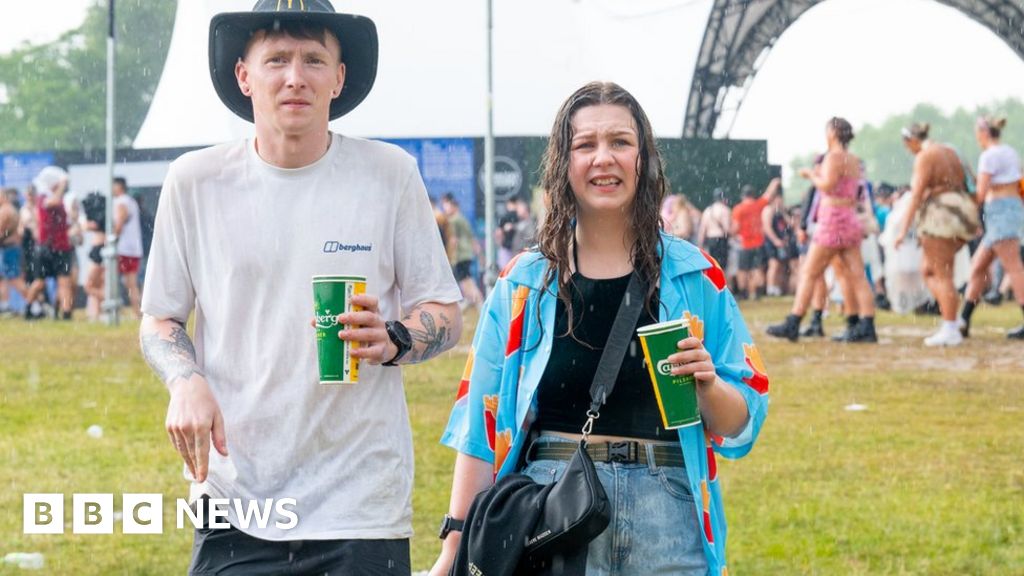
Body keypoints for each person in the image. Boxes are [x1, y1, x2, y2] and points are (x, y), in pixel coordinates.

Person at [138, 2, 462, 574]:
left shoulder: (389, 174)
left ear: (339, 78)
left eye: (314, 59)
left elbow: (444, 313)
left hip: (359, 502)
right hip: (233, 498)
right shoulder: (195, 182)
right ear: (244, 75)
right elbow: (160, 318)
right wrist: (184, 380)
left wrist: (393, 338)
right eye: (277, 59)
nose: (295, 77)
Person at [430, 81, 768, 576]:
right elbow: (481, 421)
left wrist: (709, 385)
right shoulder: (525, 282)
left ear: (643, 158)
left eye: (620, 142)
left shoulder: (696, 277)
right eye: (585, 144)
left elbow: (741, 420)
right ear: (563, 164)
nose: (603, 158)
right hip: (555, 510)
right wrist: (452, 547)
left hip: (668, 512)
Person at [767, 117, 877, 342]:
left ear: (833, 133)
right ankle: (866, 325)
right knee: (857, 275)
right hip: (849, 220)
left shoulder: (832, 157)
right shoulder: (854, 160)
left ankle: (794, 321)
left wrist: (811, 175)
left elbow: (826, 185)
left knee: (809, 271)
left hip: (832, 221)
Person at [893, 122, 980, 346]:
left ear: (911, 140)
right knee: (929, 269)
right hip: (962, 211)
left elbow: (916, 194)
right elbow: (971, 184)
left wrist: (903, 229)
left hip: (941, 215)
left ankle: (951, 327)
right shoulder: (951, 151)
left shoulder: (925, 156)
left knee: (942, 273)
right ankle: (950, 321)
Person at [960, 116, 1024, 339]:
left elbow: (980, 192)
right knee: (978, 267)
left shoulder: (988, 156)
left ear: (983, 133)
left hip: (999, 211)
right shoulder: (1010, 152)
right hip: (1010, 209)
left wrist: (965, 196)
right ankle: (963, 320)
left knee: (1013, 267)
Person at [24, 166, 75, 320]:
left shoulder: (56, 199)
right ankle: (28, 309)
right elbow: (52, 202)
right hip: (46, 247)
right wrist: (62, 184)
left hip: (61, 246)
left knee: (64, 281)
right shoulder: (44, 197)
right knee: (39, 282)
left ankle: (66, 314)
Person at [731, 178, 781, 300]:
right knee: (757, 268)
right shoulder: (758, 205)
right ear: (753, 195)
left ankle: (743, 294)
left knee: (742, 270)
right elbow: (768, 195)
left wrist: (732, 234)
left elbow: (735, 228)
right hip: (758, 243)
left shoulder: (738, 209)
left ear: (743, 196)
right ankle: (758, 294)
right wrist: (774, 183)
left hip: (744, 244)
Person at [441, 192, 483, 310]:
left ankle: (479, 303)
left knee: (465, 281)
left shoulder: (453, 220)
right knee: (466, 280)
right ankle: (475, 302)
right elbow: (472, 238)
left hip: (460, 255)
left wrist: (450, 256)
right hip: (466, 254)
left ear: (453, 206)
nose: (445, 208)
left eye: (446, 205)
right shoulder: (462, 218)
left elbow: (453, 240)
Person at [112, 177, 144, 318]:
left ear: (118, 186)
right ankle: (137, 311)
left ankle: (114, 310)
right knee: (131, 283)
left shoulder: (121, 202)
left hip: (124, 248)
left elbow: (119, 223)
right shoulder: (131, 201)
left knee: (113, 280)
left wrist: (112, 238)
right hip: (134, 248)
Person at [0, 188, 28, 315]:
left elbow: (1, 231)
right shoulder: (11, 209)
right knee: (5, 278)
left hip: (9, 248)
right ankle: (6, 306)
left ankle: (34, 302)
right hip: (10, 248)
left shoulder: (5, 210)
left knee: (13, 278)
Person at [698, 187, 731, 270]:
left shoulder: (707, 211)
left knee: (713, 265)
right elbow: (727, 229)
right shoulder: (725, 210)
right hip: (721, 240)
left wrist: (700, 245)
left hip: (710, 241)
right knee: (722, 266)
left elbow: (702, 230)